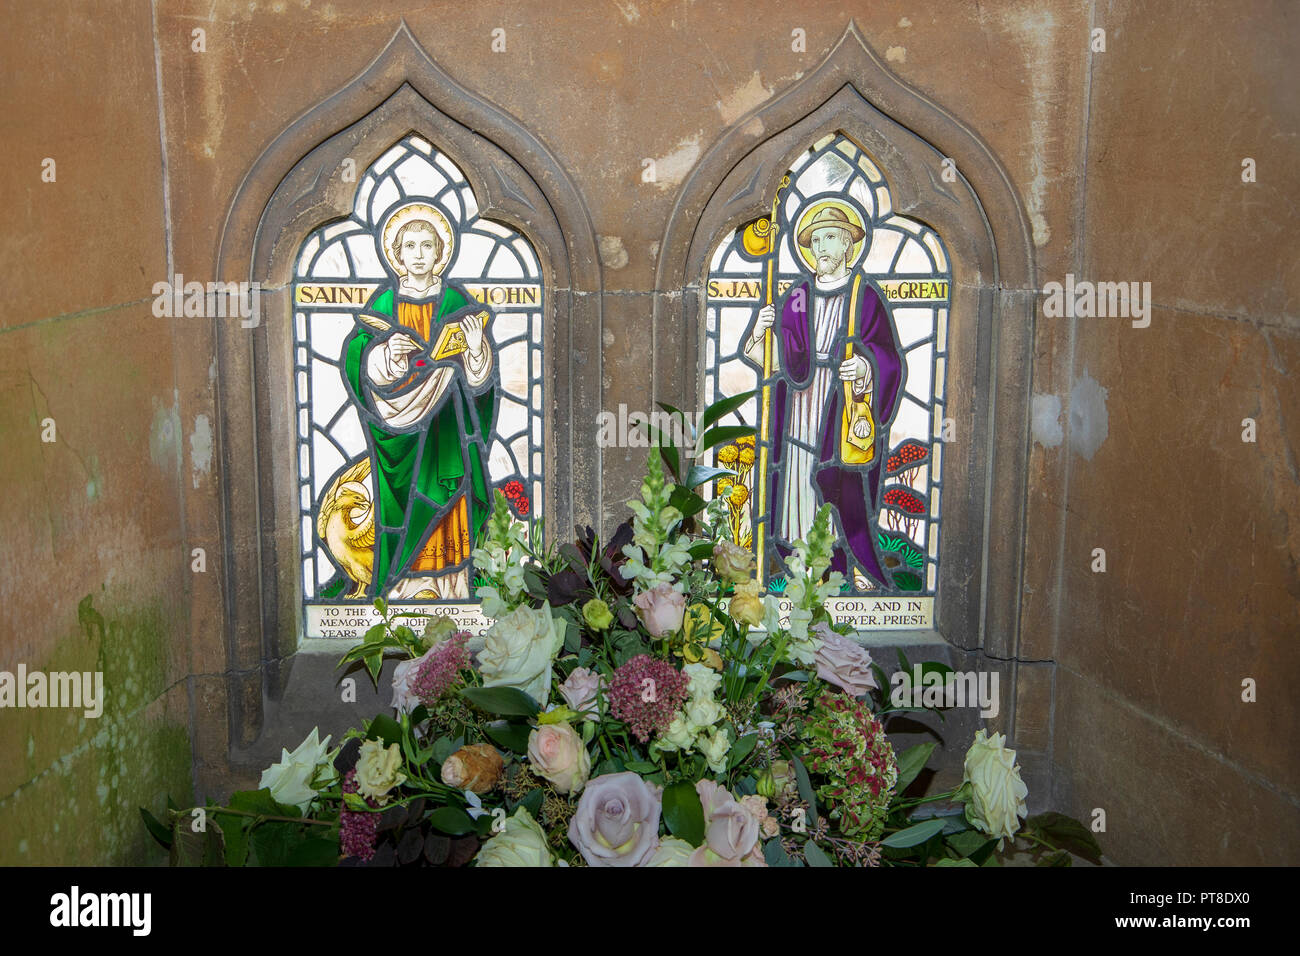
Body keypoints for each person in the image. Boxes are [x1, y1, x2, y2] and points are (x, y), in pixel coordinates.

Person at [743, 203, 904, 588]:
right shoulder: (797, 295)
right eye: (815, 240)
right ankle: (796, 560)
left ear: (849, 244)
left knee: (836, 481)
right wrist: (761, 331)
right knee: (796, 479)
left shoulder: (865, 296)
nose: (821, 247)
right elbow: (770, 361)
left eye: (830, 237)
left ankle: (836, 561)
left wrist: (865, 369)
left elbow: (888, 358)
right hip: (799, 403)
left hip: (842, 406)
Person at [341, 202, 496, 600]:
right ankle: (407, 586)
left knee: (453, 495)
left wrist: (475, 348)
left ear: (440, 253)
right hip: (399, 424)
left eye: (428, 245)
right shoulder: (382, 306)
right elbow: (360, 360)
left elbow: (482, 382)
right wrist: (389, 355)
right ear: (397, 254)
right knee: (405, 503)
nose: (419, 254)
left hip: (449, 423)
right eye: (410, 246)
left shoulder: (455, 301)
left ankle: (452, 586)